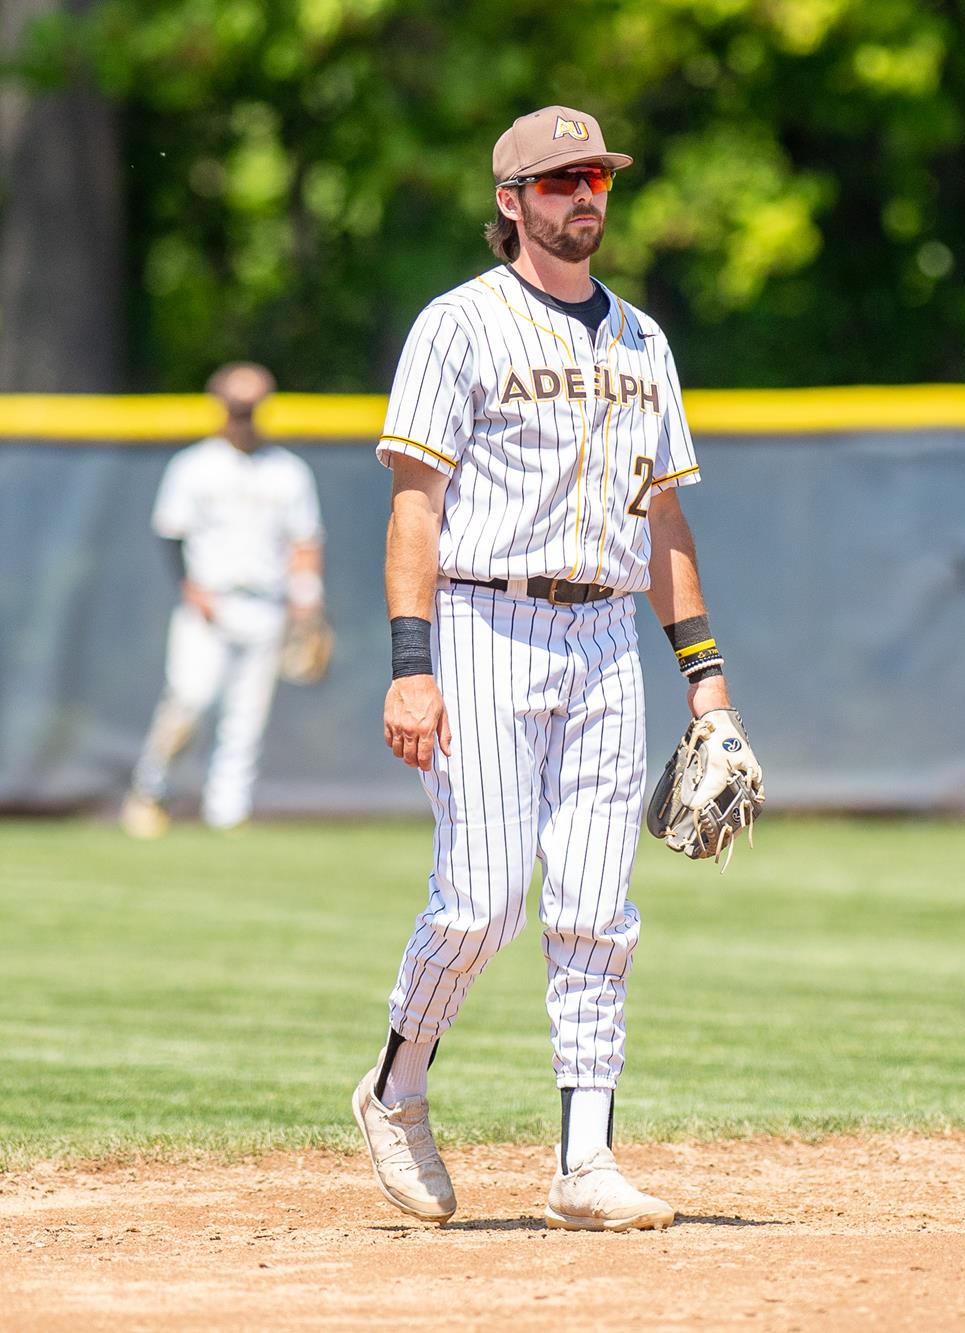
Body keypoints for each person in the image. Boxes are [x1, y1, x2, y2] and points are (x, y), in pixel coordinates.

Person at [350, 106, 761, 1230]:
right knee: (482, 899)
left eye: (597, 178)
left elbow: (662, 521)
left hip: (605, 637)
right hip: (482, 621)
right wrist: (410, 665)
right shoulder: (458, 326)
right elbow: (414, 507)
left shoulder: (642, 341)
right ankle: (395, 1084)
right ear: (511, 201)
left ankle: (585, 1161)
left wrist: (707, 683)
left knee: (595, 908)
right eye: (559, 179)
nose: (584, 195)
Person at [120, 363, 324, 835]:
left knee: (247, 717)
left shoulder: (287, 471)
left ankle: (228, 812)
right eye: (236, 406)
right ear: (219, 405)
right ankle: (151, 789)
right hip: (210, 603)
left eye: (250, 407)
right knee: (190, 698)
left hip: (267, 603)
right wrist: (192, 589)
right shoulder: (194, 465)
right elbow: (171, 535)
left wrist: (308, 601)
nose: (243, 416)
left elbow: (305, 540)